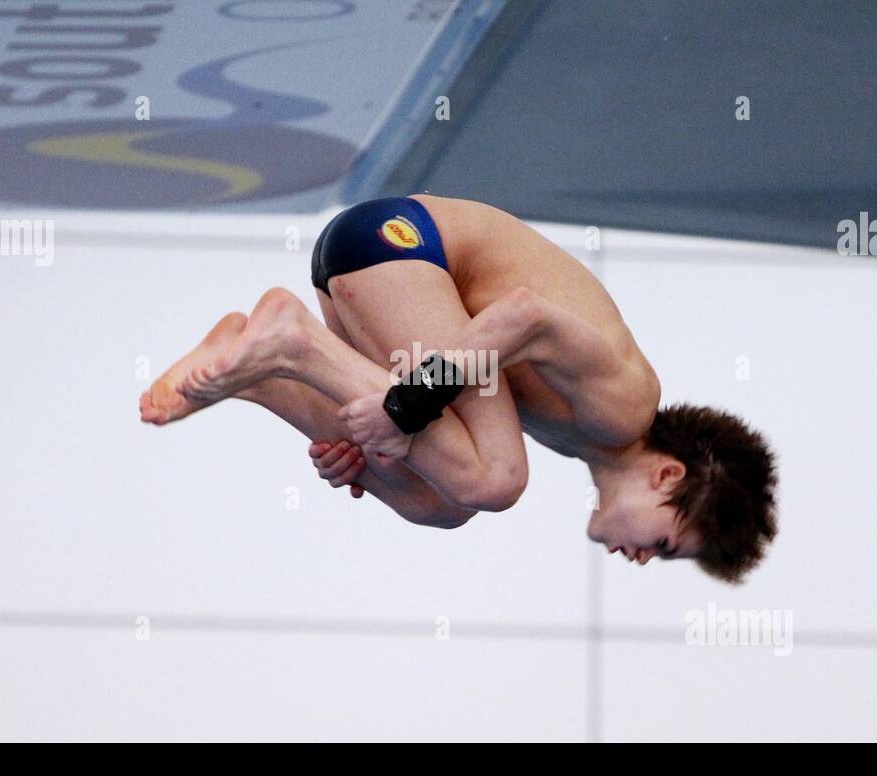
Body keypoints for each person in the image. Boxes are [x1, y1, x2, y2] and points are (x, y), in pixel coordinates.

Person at [140, 195, 778, 582]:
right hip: (404, 243)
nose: (642, 559)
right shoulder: (625, 406)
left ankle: (265, 375)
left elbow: (439, 393)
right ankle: (292, 342)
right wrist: (406, 406)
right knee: (496, 478)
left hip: (383, 271)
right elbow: (522, 314)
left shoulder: (579, 438)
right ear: (668, 477)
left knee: (438, 503)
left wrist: (368, 453)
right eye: (665, 546)